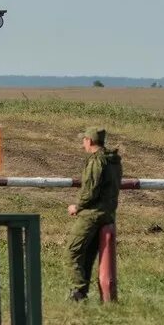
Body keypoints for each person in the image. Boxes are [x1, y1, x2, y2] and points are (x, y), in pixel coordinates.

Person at [67, 127, 122, 301]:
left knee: (73, 251)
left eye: (84, 140)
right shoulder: (112, 160)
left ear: (89, 141)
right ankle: (82, 292)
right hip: (108, 213)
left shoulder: (96, 161)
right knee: (89, 254)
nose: (83, 143)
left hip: (92, 213)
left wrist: (78, 206)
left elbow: (90, 190)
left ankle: (78, 291)